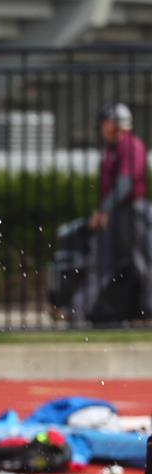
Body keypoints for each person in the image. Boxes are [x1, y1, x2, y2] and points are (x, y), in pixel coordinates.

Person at [88, 103, 148, 325]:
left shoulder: (130, 146)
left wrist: (104, 210)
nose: (102, 127)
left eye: (106, 122)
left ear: (116, 124)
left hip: (132, 212)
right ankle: (90, 309)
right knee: (107, 264)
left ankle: (148, 311)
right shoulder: (111, 150)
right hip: (117, 213)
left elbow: (125, 184)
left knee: (143, 262)